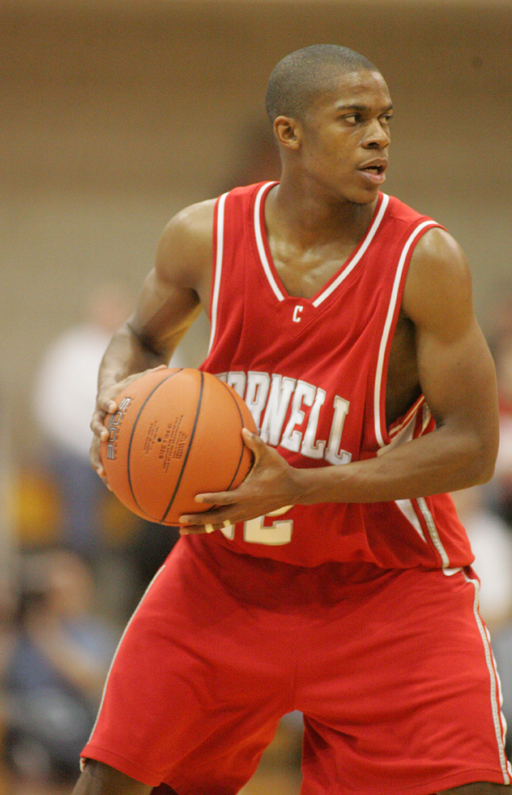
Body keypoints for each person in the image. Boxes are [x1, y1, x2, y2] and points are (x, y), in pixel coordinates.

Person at [73, 45, 508, 795]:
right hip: (224, 578)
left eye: (386, 119)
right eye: (354, 119)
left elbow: (473, 446)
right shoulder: (204, 235)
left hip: (388, 588)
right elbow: (141, 337)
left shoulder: (425, 259)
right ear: (290, 132)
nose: (379, 137)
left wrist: (303, 487)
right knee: (108, 782)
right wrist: (115, 393)